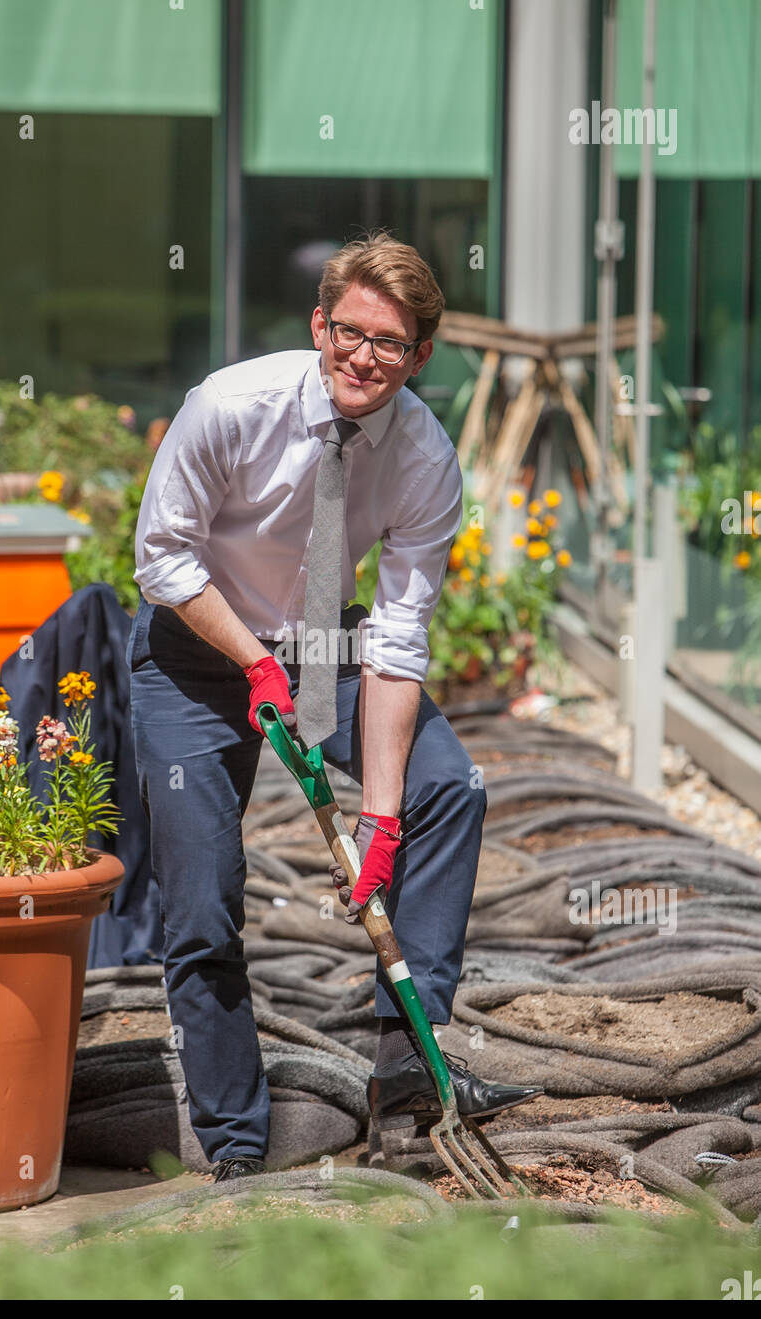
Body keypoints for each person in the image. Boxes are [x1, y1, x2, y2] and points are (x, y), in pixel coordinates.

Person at [128, 231, 542, 1183]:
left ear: (420, 356)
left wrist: (383, 815)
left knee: (449, 789)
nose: (364, 357)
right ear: (320, 325)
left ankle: (407, 1062)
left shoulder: (426, 459)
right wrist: (250, 662)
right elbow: (162, 557)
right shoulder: (231, 406)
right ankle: (236, 1144)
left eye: (390, 344)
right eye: (349, 332)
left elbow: (396, 643)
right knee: (200, 906)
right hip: (196, 652)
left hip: (328, 642)